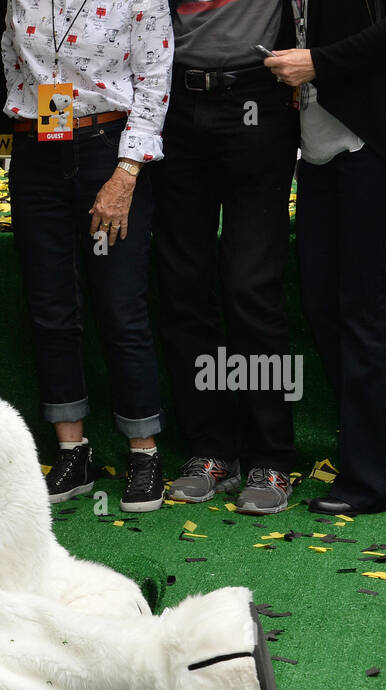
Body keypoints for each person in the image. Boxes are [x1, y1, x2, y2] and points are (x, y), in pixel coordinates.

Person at [267, 0, 386, 514]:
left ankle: (375, 481)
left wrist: (320, 62)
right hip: (316, 151)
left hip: (373, 146)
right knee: (322, 301)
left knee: (366, 308)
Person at [1, 0, 174, 511]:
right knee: (50, 305)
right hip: (38, 149)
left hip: (110, 148)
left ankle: (145, 454)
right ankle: (72, 451)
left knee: (120, 306)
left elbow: (155, 78)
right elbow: (14, 61)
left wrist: (127, 171)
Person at [153, 0, 301, 516]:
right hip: (174, 102)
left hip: (257, 100)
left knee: (250, 286)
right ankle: (211, 450)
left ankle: (270, 457)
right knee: (181, 285)